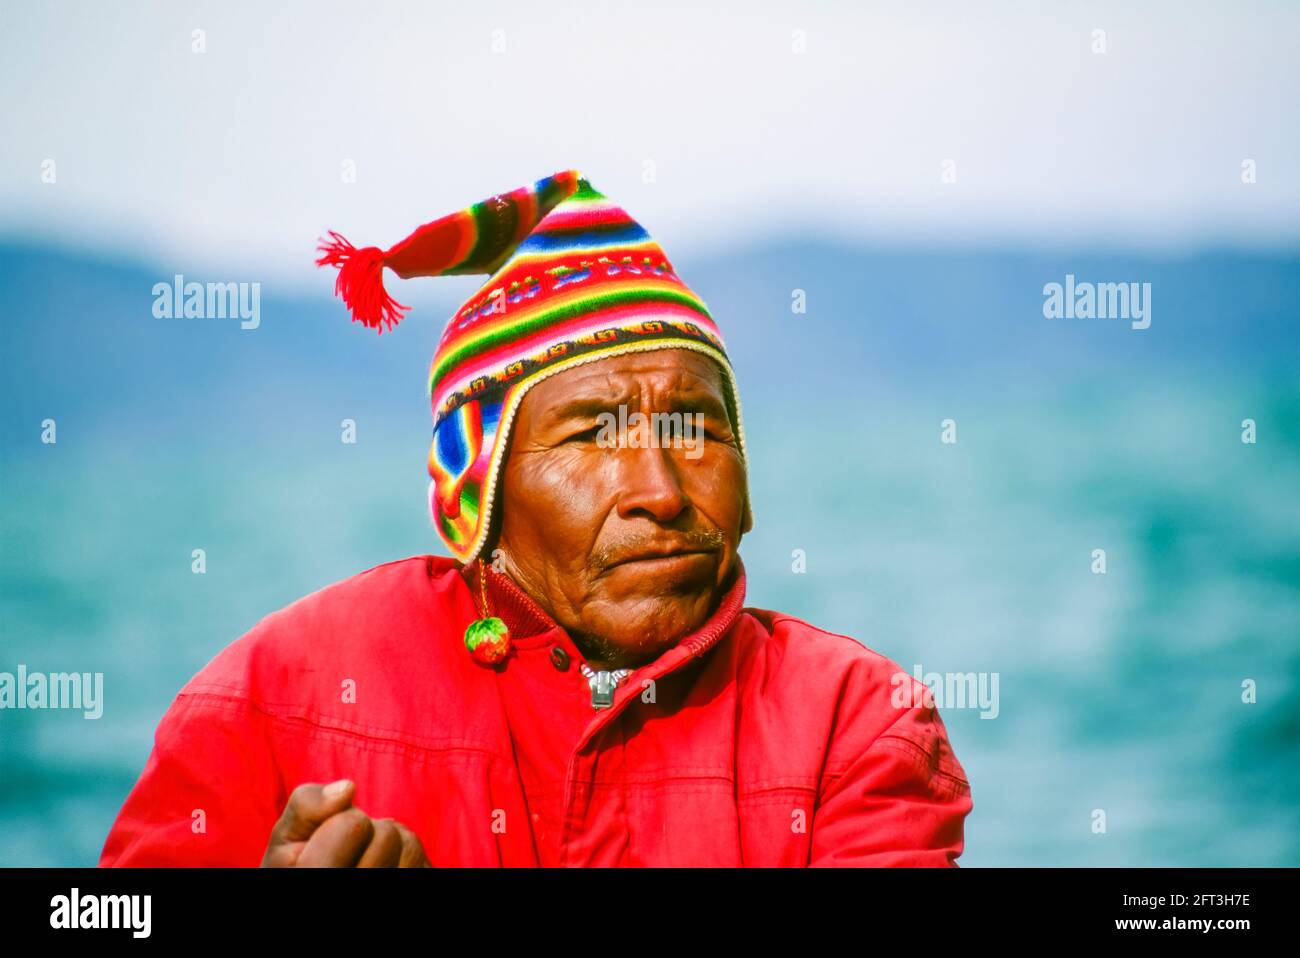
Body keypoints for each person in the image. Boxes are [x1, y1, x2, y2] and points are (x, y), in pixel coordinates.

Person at [99, 170, 972, 867]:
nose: (662, 491)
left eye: (696, 427)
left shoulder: (853, 724)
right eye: (595, 433)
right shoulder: (269, 705)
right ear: (475, 485)